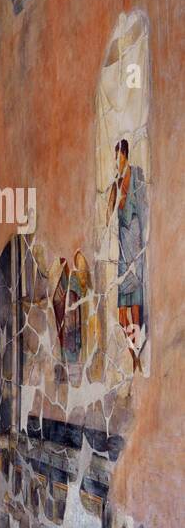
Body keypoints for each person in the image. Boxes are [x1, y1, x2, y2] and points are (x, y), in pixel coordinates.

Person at [106, 138, 147, 371]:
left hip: (136, 251)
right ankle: (133, 355)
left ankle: (137, 356)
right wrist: (113, 187)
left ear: (125, 156)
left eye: (119, 157)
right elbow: (108, 213)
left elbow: (143, 208)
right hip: (124, 254)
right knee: (122, 315)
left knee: (135, 310)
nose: (117, 162)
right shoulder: (117, 181)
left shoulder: (137, 176)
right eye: (115, 158)